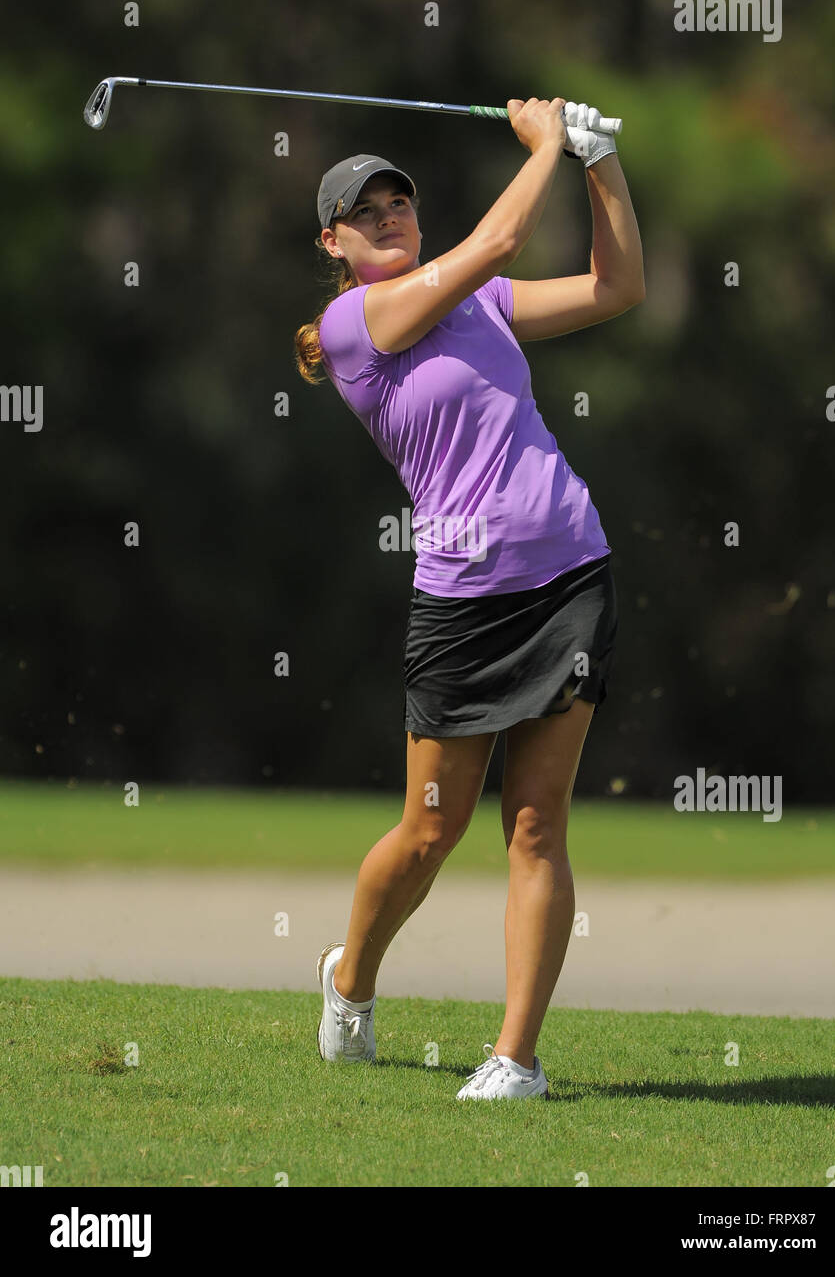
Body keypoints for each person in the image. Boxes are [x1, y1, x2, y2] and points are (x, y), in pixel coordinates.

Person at [294, 96, 644, 1099]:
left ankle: (515, 1059)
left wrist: (598, 162)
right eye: (366, 211)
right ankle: (349, 981)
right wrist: (541, 148)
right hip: (462, 602)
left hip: (569, 572)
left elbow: (618, 286)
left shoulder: (478, 305)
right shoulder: (353, 325)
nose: (389, 216)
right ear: (334, 241)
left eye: (399, 201)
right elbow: (494, 238)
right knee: (428, 831)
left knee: (535, 826)